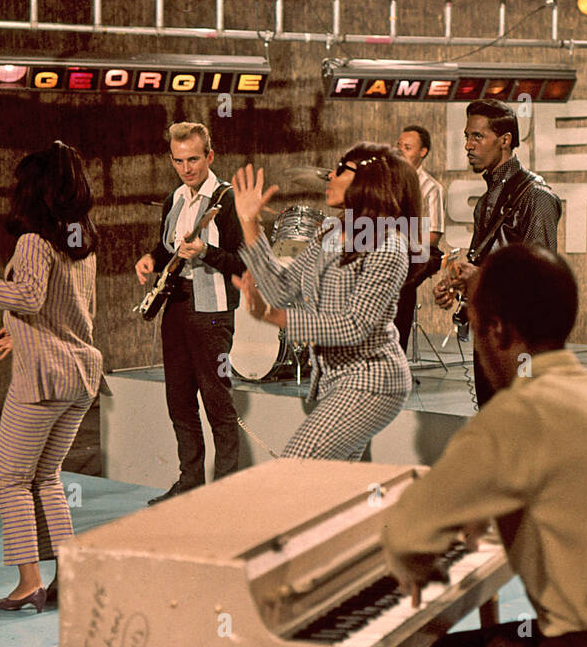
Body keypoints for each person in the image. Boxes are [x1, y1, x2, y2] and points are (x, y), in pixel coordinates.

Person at [307, 245, 587, 647]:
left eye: (474, 331)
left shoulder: (516, 416)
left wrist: (416, 566)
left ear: (497, 330)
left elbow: (406, 537)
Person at [0, 142, 102, 613]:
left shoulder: (34, 240)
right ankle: (66, 578)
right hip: (80, 375)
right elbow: (68, 311)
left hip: (43, 380)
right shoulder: (84, 243)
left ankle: (29, 583)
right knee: (47, 478)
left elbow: (30, 297)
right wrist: (17, 331)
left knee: (11, 480)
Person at [232, 144, 417, 462]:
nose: (330, 175)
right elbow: (282, 288)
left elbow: (354, 325)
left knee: (295, 468)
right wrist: (249, 224)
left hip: (371, 382)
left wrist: (276, 317)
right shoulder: (331, 231)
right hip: (336, 382)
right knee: (331, 486)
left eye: (342, 168)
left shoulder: (389, 244)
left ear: (369, 181)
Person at [134, 122, 244, 504]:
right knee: (179, 399)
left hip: (212, 311)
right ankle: (190, 482)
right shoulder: (174, 199)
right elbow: (167, 249)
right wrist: (150, 259)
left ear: (210, 156)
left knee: (217, 400)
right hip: (176, 305)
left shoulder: (226, 199)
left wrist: (207, 253)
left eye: (194, 159)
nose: (187, 168)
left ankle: (227, 489)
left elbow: (244, 263)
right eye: (179, 161)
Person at [432, 99, 561, 406]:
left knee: (522, 421)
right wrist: (458, 283)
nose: (468, 145)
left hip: (521, 336)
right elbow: (490, 263)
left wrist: (484, 278)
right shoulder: (487, 201)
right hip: (489, 329)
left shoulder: (536, 197)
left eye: (477, 136)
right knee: (492, 417)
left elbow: (539, 280)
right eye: (467, 136)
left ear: (504, 141)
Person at [392, 125, 444, 353]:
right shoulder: (385, 182)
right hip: (389, 247)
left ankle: (396, 352)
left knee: (403, 278)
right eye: (399, 146)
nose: (400, 150)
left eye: (407, 147)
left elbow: (433, 235)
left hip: (420, 250)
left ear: (422, 152)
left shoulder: (431, 188)